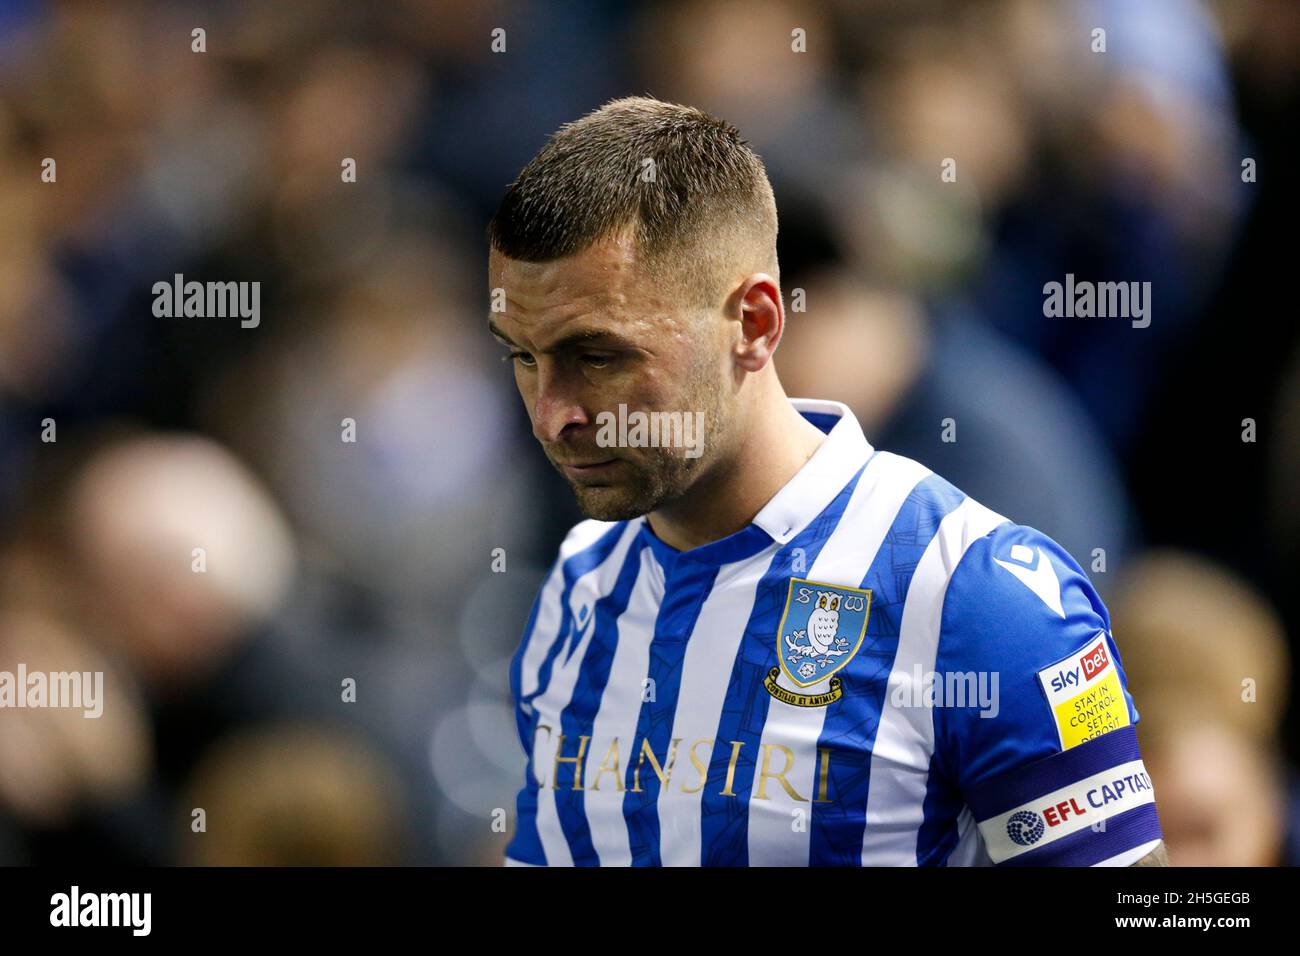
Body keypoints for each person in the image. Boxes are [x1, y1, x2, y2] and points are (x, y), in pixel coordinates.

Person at [486, 96, 1166, 867]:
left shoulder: (979, 595)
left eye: (598, 356)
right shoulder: (576, 590)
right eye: (521, 356)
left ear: (755, 324)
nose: (551, 415)